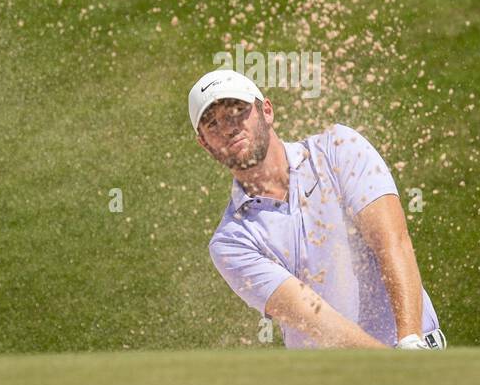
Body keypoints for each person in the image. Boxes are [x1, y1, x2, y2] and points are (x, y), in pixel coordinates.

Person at [189, 68, 446, 350]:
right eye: (212, 124)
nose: (227, 128)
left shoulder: (338, 148)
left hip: (419, 350)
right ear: (203, 143)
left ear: (266, 111)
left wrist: (410, 341)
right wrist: (390, 367)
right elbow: (315, 319)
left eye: (236, 110)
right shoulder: (231, 242)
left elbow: (392, 242)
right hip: (337, 381)